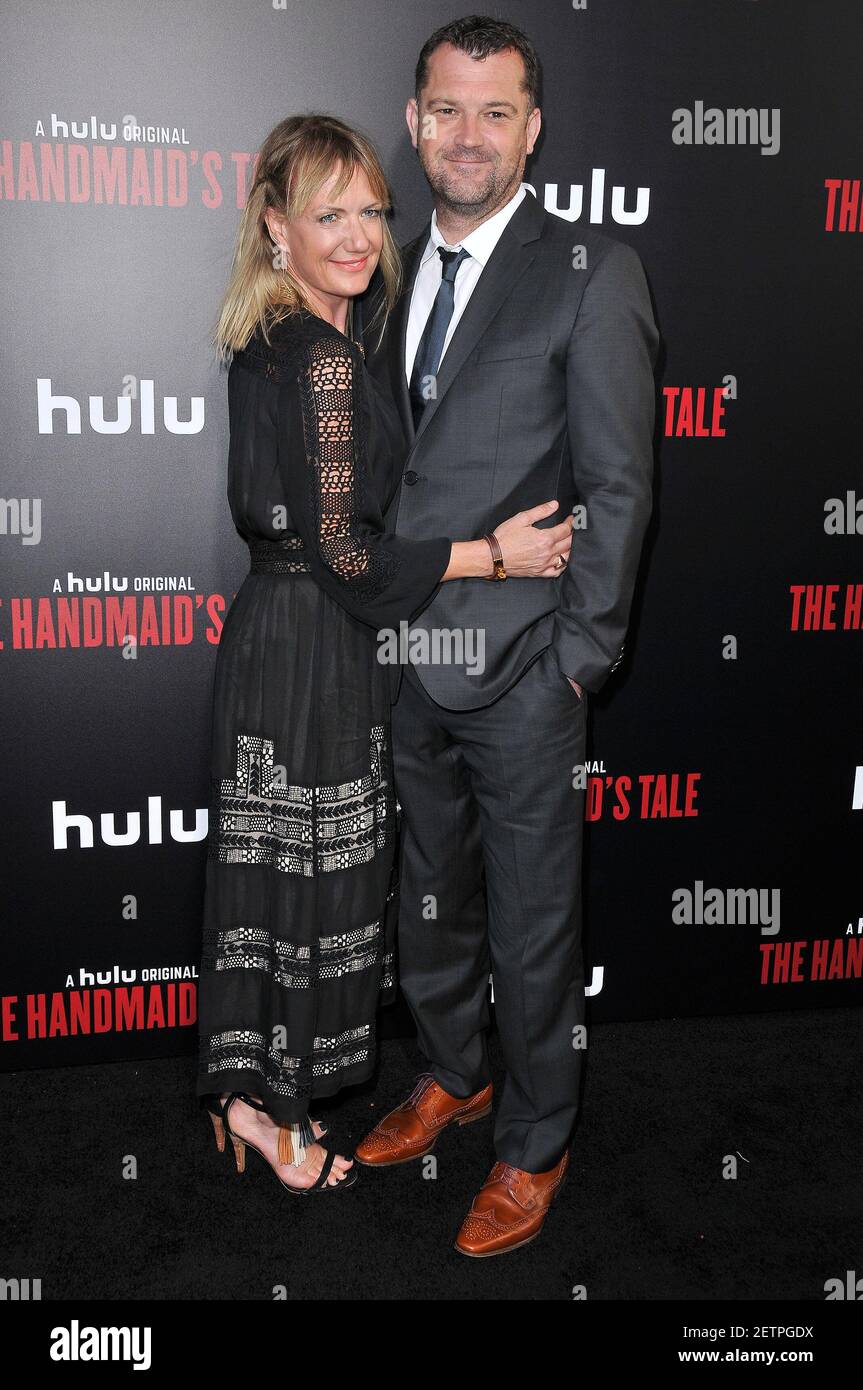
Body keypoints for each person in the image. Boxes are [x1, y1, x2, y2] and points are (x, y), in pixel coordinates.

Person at [195, 113, 574, 1194]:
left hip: (278, 637)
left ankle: (242, 1103)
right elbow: (348, 558)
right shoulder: (318, 359)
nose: (359, 235)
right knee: (312, 889)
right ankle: (275, 1122)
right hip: (319, 645)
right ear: (276, 225)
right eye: (329, 215)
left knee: (266, 890)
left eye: (370, 209)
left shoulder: (268, 335)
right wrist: (490, 554)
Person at [355, 16, 659, 1252]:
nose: (468, 134)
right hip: (406, 657)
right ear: (416, 121)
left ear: (532, 127)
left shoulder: (591, 270)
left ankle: (533, 1142)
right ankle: (450, 1069)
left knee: (535, 921)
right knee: (427, 897)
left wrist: (580, 660)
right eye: (446, 109)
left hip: (530, 664)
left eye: (496, 111)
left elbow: (622, 484)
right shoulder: (379, 268)